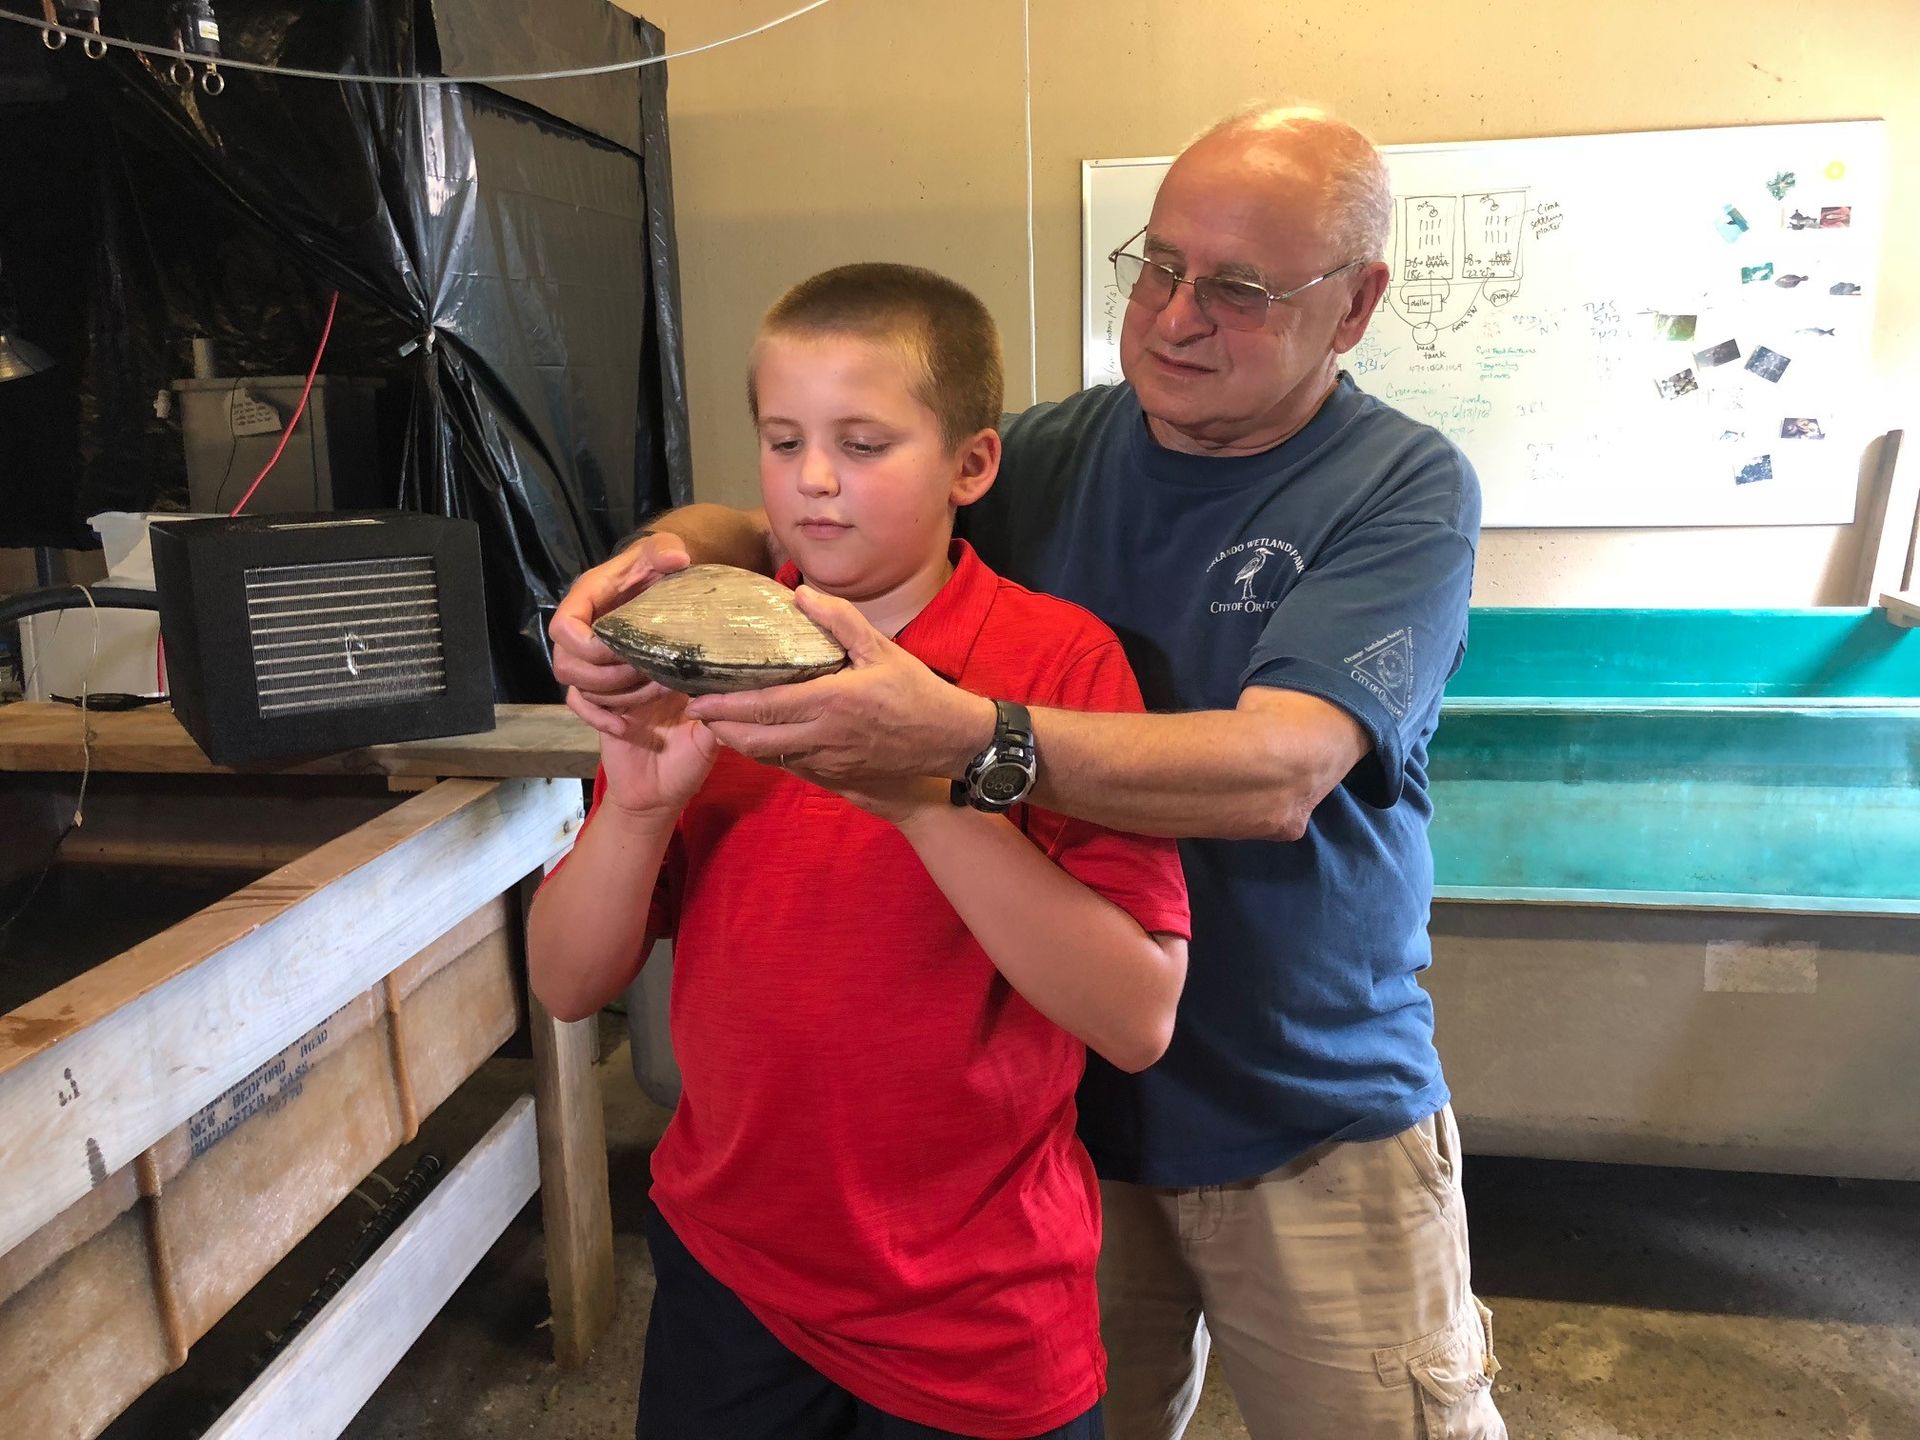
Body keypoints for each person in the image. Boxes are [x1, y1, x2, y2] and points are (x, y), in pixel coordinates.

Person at [551, 107, 1505, 1440]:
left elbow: (1279, 775)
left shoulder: (1400, 486)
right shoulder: (1056, 454)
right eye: (1158, 265)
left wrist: (949, 750)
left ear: (1354, 305)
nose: (1175, 317)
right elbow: (807, 514)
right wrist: (649, 572)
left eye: (1239, 289)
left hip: (1297, 1099)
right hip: (1048, 1131)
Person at [528, 262, 1192, 1440]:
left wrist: (926, 800)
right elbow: (567, 984)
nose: (815, 480)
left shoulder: (1058, 662)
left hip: (978, 1306)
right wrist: (635, 812)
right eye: (783, 442)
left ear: (971, 465)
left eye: (865, 443)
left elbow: (1136, 1016)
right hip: (731, 1274)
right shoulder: (702, 657)